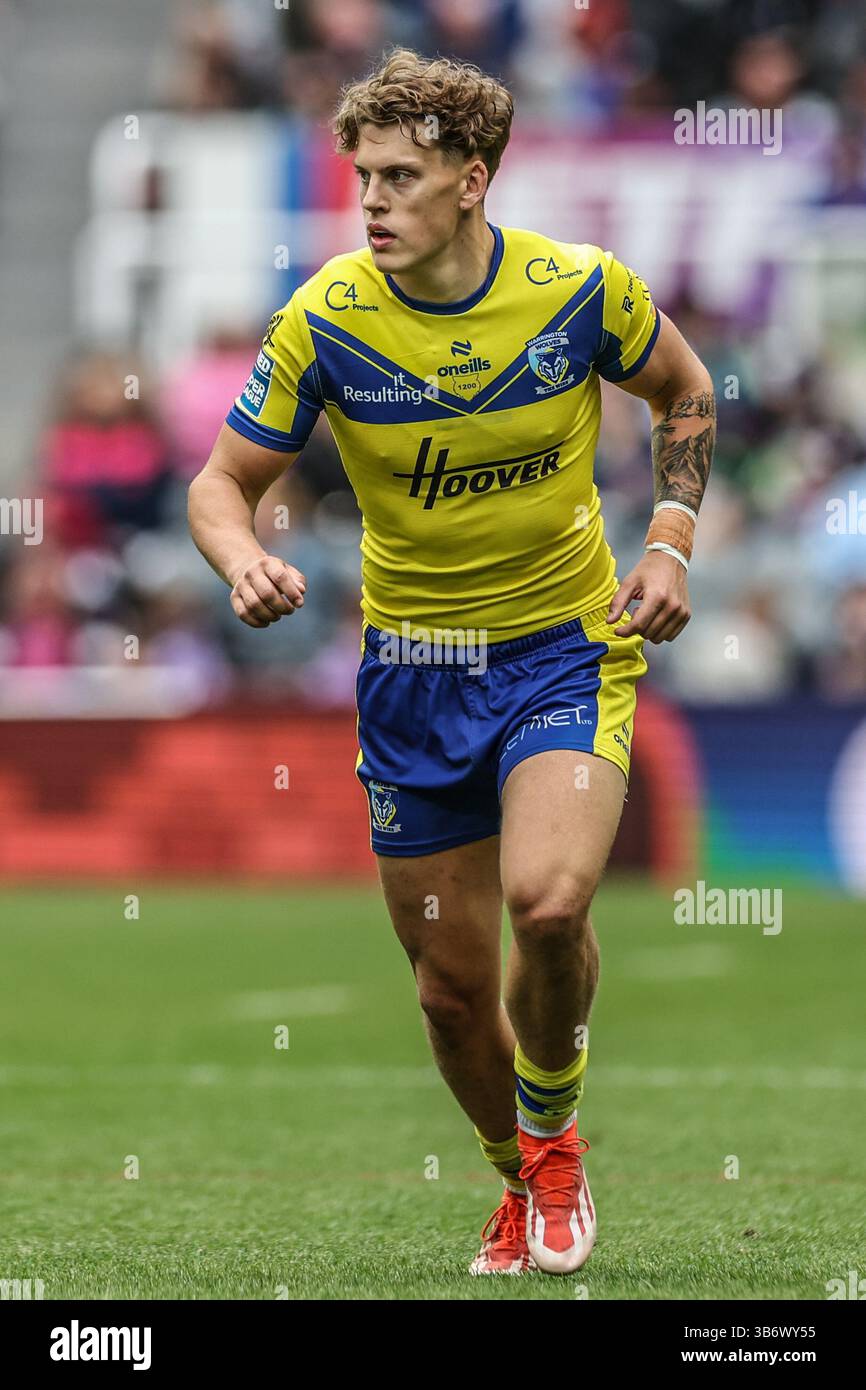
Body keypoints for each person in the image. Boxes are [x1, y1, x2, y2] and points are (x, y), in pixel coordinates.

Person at [188, 47, 715, 1276]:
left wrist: (671, 544)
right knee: (444, 987)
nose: (369, 200)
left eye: (399, 176)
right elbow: (221, 484)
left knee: (549, 900)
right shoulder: (325, 317)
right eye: (361, 175)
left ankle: (551, 1140)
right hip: (411, 674)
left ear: (471, 180)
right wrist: (238, 559)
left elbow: (685, 393)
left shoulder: (578, 293)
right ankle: (518, 1170)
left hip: (561, 651)